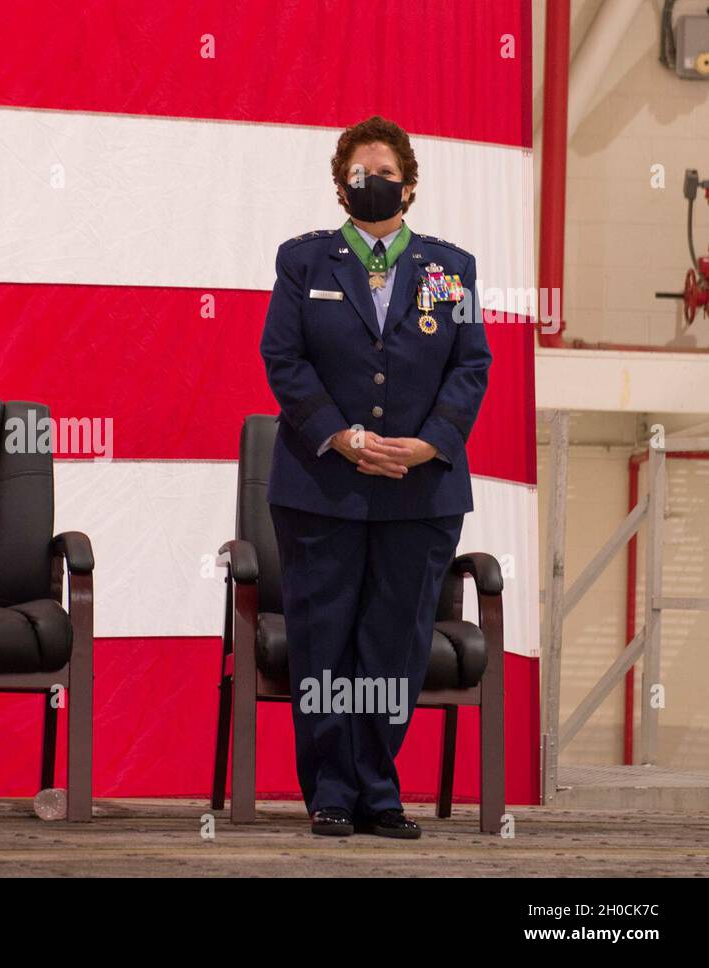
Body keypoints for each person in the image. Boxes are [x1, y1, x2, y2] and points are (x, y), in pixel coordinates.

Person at [259, 115, 491, 838]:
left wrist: (428, 444)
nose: (372, 184)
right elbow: (284, 359)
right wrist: (344, 435)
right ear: (339, 186)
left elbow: (471, 364)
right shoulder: (304, 262)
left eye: (385, 173)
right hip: (323, 486)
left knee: (394, 642)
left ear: (411, 185)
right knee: (324, 637)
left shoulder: (454, 268)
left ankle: (379, 790)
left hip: (419, 492)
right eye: (358, 174)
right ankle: (330, 790)